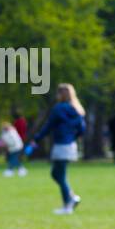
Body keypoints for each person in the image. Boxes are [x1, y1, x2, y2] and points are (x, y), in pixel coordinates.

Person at [31, 84, 86, 214]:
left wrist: (37, 138)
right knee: (56, 174)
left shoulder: (58, 109)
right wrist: (73, 136)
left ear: (61, 94)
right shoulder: (77, 109)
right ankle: (71, 197)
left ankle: (68, 204)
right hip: (71, 144)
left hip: (61, 144)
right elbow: (82, 128)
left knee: (59, 175)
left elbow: (48, 126)